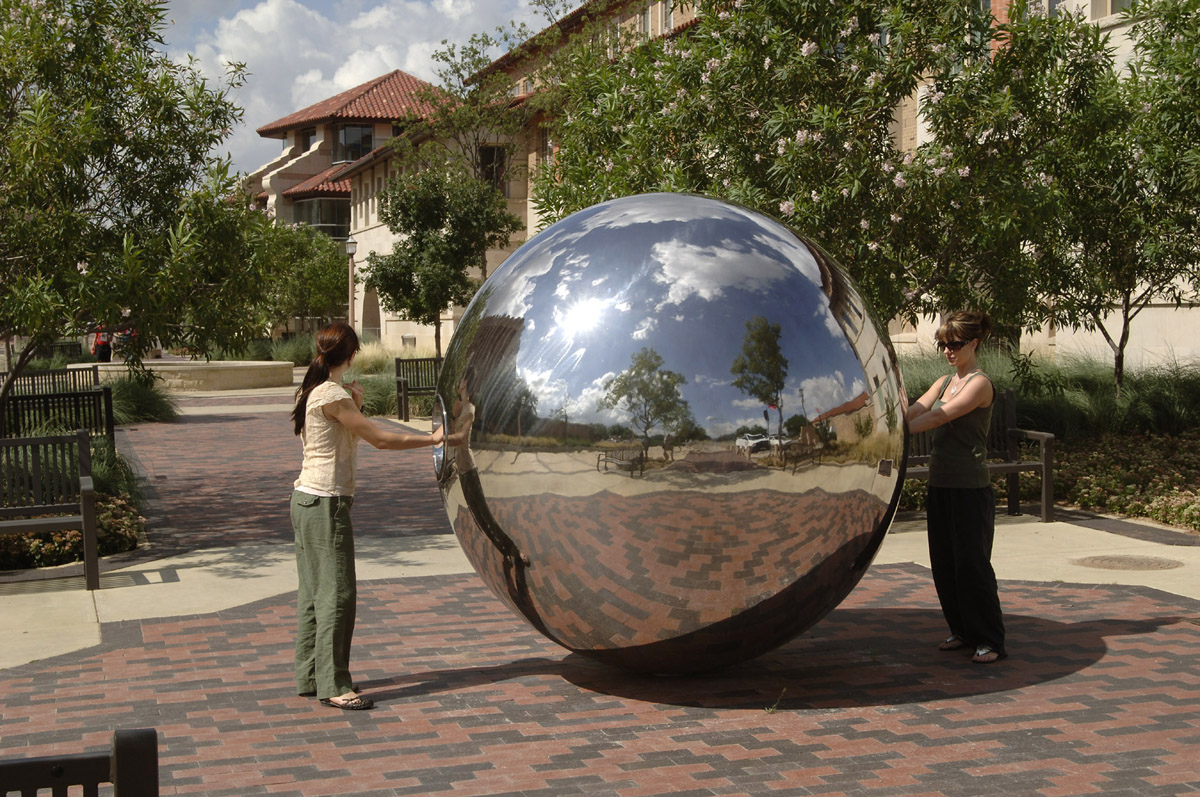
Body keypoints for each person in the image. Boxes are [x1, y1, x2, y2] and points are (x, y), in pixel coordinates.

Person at [290, 321, 442, 710]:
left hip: (307, 499)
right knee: (338, 594)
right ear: (353, 354)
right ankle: (335, 684)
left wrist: (354, 405)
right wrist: (434, 439)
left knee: (314, 594)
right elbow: (379, 439)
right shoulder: (331, 394)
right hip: (325, 504)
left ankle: (312, 675)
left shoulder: (314, 389)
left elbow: (337, 434)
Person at [906, 310, 1006, 664]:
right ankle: (962, 630)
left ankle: (990, 639)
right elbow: (916, 409)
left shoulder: (980, 383)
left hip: (969, 486)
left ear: (974, 344)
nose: (948, 351)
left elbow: (939, 417)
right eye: (943, 345)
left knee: (972, 564)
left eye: (955, 344)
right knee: (944, 562)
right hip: (941, 483)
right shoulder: (945, 382)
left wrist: (899, 433)